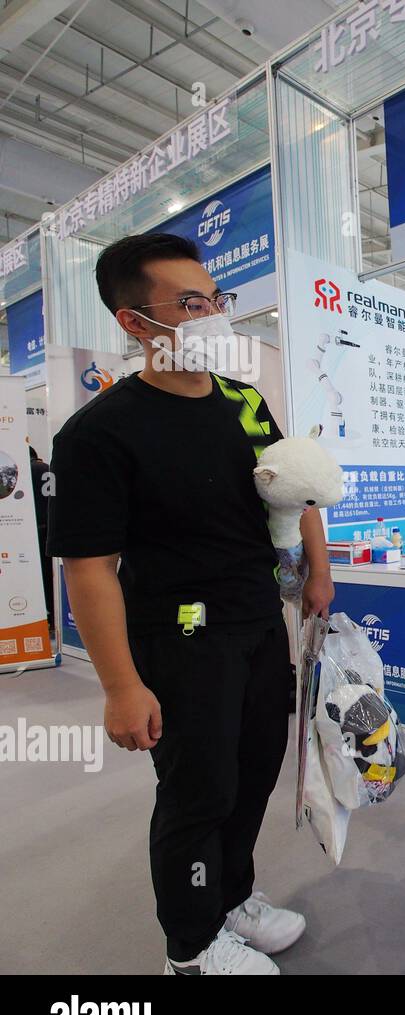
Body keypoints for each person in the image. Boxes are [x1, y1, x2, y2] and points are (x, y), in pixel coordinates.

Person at [45, 232, 333, 975]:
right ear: (136, 323)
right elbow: (90, 569)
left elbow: (295, 487)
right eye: (192, 304)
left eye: (216, 300)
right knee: (197, 790)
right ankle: (192, 946)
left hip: (256, 621)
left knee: (254, 770)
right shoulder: (99, 433)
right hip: (180, 637)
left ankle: (231, 895)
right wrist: (119, 685)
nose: (213, 316)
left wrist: (319, 573)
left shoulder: (242, 401)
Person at [29, 445, 54, 633]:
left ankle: (44, 616)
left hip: (34, 531)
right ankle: (54, 618)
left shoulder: (24, 470)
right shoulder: (47, 468)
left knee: (41, 579)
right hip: (51, 528)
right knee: (51, 577)